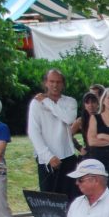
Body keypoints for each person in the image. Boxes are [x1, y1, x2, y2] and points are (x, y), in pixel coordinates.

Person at [28, 68, 79, 197]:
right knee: (49, 201)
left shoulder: (70, 101)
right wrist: (48, 156)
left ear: (63, 84)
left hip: (67, 155)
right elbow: (33, 131)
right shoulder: (36, 104)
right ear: (46, 83)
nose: (55, 85)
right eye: (51, 81)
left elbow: (68, 119)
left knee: (70, 199)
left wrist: (47, 102)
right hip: (46, 160)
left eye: (58, 82)